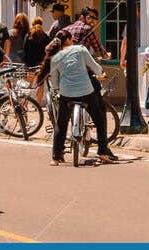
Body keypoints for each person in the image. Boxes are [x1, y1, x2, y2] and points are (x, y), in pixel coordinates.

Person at [48, 28, 117, 164]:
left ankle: (56, 157)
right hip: (86, 91)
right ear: (68, 40)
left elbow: (54, 82)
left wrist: (59, 88)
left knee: (61, 124)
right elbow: (94, 66)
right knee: (99, 119)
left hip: (66, 93)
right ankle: (102, 151)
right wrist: (101, 73)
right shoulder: (80, 50)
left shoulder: (55, 58)